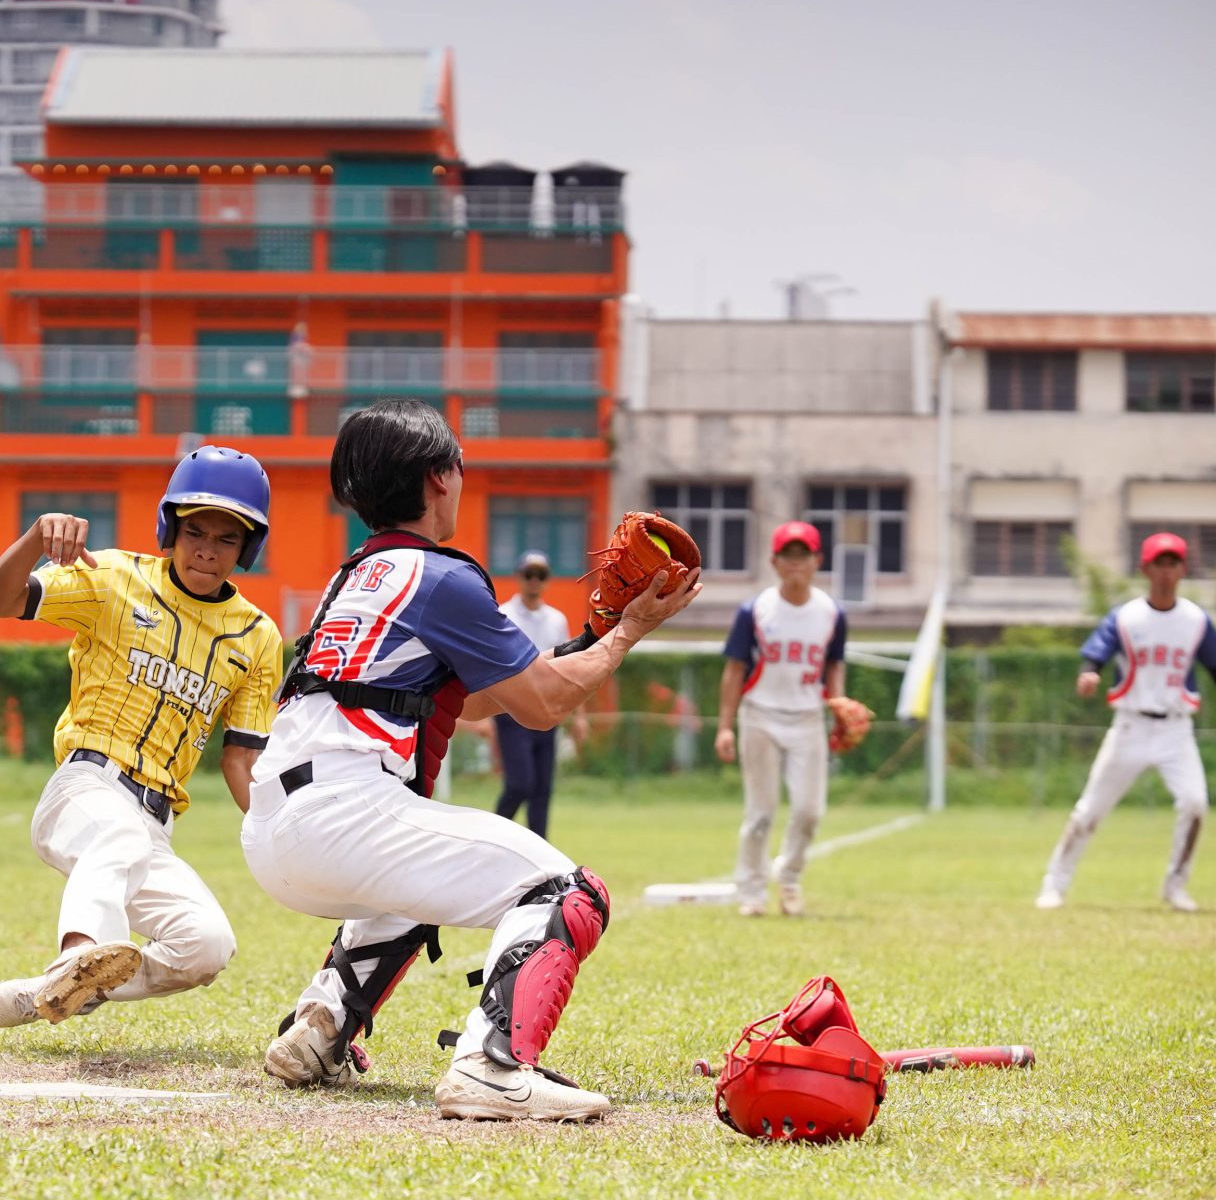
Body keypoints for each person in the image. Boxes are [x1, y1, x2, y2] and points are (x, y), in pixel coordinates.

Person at [244, 399, 700, 1123]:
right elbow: (544, 706)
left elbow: (491, 698)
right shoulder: (442, 576)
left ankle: (322, 1026)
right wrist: (630, 632)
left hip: (275, 826)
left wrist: (590, 638)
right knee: (567, 892)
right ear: (438, 477)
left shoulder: (354, 577)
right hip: (344, 813)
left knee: (409, 879)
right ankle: (492, 1063)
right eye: (457, 462)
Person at [0, 446, 283, 1030]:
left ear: (247, 548)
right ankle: (77, 952)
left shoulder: (258, 636)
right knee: (117, 833)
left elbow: (243, 757)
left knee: (207, 943)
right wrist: (38, 537)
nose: (208, 549)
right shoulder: (113, 577)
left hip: (156, 826)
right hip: (86, 787)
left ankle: (56, 990)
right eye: (195, 530)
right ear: (171, 527)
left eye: (227, 538)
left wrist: (283, 828)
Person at [1037, 532, 1214, 913]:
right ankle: (1054, 884)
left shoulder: (1196, 620)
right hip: (1130, 727)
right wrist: (1089, 674)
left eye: (1173, 563)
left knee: (1196, 802)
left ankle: (1175, 886)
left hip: (1176, 729)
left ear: (1183, 569)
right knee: (1090, 811)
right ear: (1145, 568)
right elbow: (1095, 654)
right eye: (1159, 563)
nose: (1166, 572)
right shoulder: (1126, 616)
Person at [714, 522, 848, 918]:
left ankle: (789, 878)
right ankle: (752, 891)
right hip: (760, 715)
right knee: (761, 812)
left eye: (803, 554)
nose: (796, 563)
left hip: (808, 717)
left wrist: (839, 707)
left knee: (809, 811)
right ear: (774, 562)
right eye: (787, 555)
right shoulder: (754, 610)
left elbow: (834, 665)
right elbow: (734, 670)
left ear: (817, 561)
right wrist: (725, 725)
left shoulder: (830, 613)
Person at [489, 550, 590, 836]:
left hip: (547, 709)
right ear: (519, 578)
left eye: (540, 575)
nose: (534, 581)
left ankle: (540, 854)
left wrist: (579, 715)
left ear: (547, 580)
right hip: (512, 711)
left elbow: (569, 668)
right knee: (520, 783)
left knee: (542, 789)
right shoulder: (504, 616)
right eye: (529, 575)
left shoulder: (556, 620)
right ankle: (494, 837)